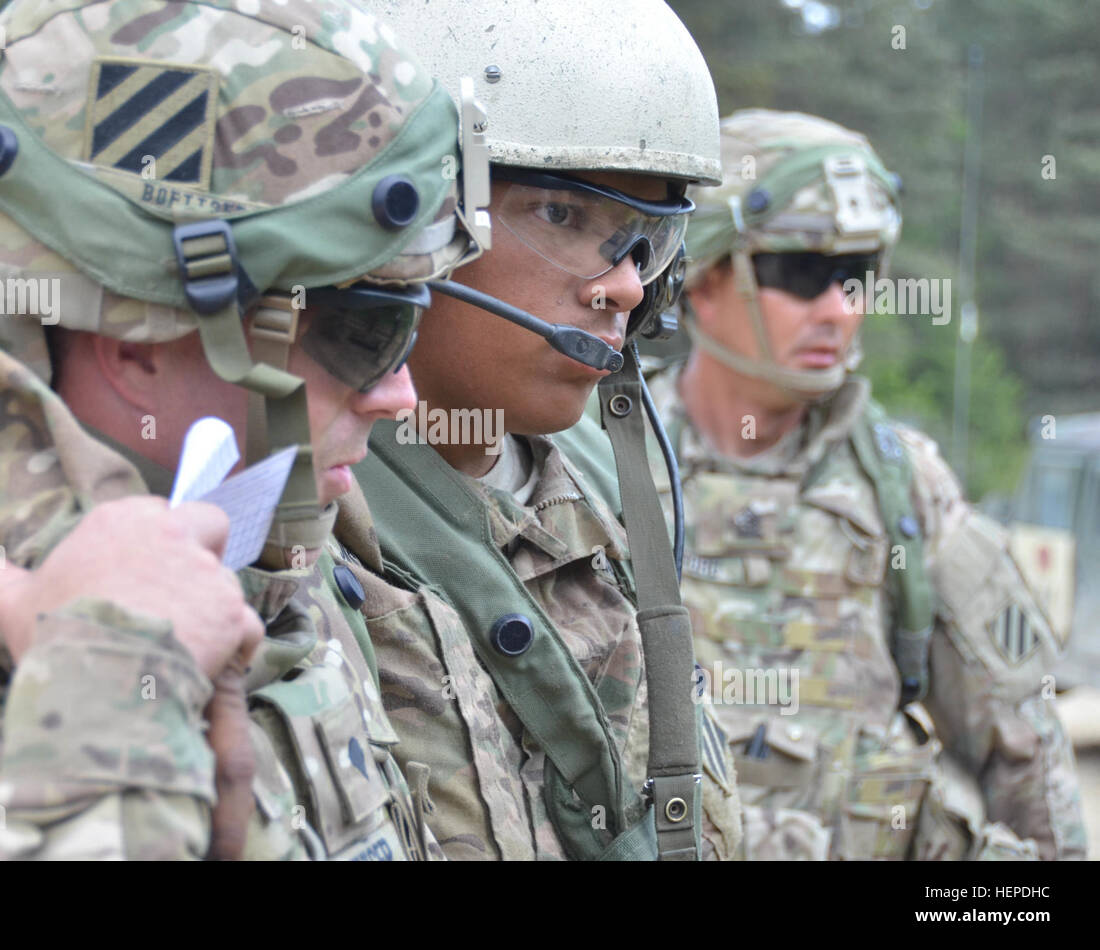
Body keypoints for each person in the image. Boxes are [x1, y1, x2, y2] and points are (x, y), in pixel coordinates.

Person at [0, 0, 471, 860]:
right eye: (368, 333)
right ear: (135, 345)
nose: (401, 394)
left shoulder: (256, 537)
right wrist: (107, 714)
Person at [331, 0, 743, 861]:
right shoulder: (300, 513)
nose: (624, 288)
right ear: (408, 210)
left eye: (643, 241)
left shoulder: (611, 480)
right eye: (563, 216)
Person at [645, 108, 1087, 859]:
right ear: (704, 275)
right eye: (803, 273)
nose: (839, 310)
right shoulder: (599, 460)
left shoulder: (903, 485)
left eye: (855, 276)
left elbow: (1026, 751)